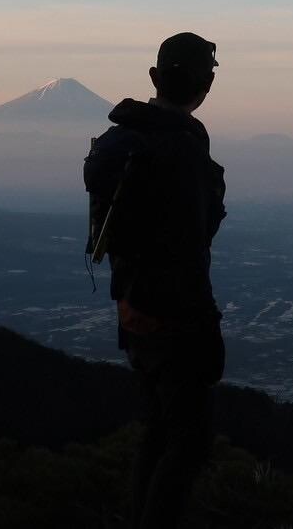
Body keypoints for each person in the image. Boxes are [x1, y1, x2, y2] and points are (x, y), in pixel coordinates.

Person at [84, 33, 226, 528]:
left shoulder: (122, 141)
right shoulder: (183, 150)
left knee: (156, 432)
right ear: (206, 86)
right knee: (188, 442)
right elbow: (195, 236)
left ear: (153, 78)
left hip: (132, 308)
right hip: (179, 316)